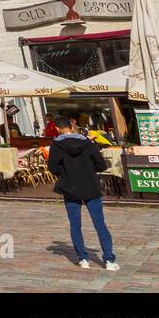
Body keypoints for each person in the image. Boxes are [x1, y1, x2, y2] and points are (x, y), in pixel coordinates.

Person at [47, 116, 118, 271]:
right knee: (100, 224)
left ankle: (83, 259)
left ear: (58, 129)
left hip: (70, 186)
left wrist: (66, 172)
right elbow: (101, 164)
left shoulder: (57, 145)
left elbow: (53, 167)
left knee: (75, 224)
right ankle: (109, 260)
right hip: (90, 185)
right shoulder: (87, 142)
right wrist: (88, 168)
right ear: (71, 127)